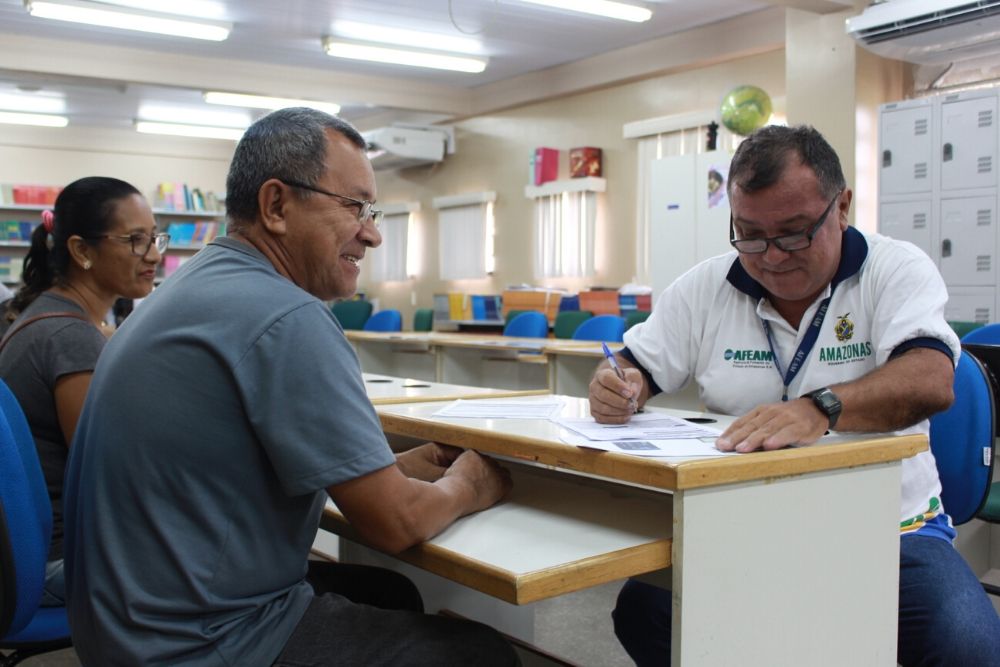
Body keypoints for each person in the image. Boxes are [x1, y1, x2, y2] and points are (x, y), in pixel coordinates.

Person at [62, 108, 519, 667]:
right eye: (355, 207)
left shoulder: (192, 289)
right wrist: (470, 484)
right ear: (276, 206)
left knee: (390, 594)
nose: (372, 233)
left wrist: (391, 469)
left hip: (120, 627)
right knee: (480, 654)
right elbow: (396, 523)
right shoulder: (286, 316)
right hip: (198, 644)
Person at [590, 125, 1000, 667]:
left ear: (842, 206)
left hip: (890, 534)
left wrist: (819, 409)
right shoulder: (704, 287)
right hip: (744, 531)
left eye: (794, 232)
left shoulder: (895, 269)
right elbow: (632, 364)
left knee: (968, 647)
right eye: (750, 234)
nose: (772, 256)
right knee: (644, 612)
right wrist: (618, 385)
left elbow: (930, 378)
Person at [0, 176, 165, 607]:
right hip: (61, 557)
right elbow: (111, 473)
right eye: (134, 240)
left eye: (153, 238)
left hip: (34, 550)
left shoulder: (57, 317)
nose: (153, 255)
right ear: (81, 251)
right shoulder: (70, 337)